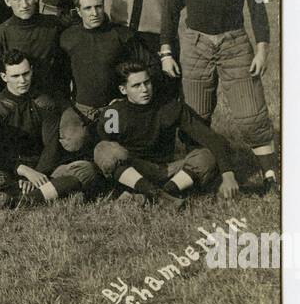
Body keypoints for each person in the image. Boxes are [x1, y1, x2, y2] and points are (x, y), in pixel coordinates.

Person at [161, 0, 276, 189]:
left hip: (234, 42)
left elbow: (258, 10)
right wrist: (166, 52)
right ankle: (199, 171)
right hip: (195, 45)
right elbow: (170, 14)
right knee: (196, 117)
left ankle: (270, 174)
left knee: (251, 115)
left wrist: (262, 48)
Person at [93, 57, 239, 208]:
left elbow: (211, 138)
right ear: (123, 90)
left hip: (167, 169)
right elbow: (105, 153)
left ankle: (159, 194)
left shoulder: (169, 106)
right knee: (103, 149)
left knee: (206, 156)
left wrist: (228, 174)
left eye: (147, 82)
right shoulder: (114, 113)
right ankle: (156, 194)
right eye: (136, 85)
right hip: (134, 170)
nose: (144, 89)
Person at [0, 50, 98, 207]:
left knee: (86, 169)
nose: (22, 80)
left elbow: (51, 145)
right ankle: (50, 193)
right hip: (13, 170)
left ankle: (22, 198)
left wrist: (38, 175)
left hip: (44, 168)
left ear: (32, 70)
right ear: (4, 77)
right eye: (15, 76)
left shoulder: (43, 101)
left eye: (26, 74)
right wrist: (24, 172)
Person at [60, 0, 147, 118]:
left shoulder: (121, 35)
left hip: (113, 108)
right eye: (88, 8)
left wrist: (126, 99)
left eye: (98, 7)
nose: (94, 13)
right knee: (74, 138)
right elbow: (60, 77)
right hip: (80, 109)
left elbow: (146, 67)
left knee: (110, 138)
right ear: (78, 11)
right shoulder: (67, 37)